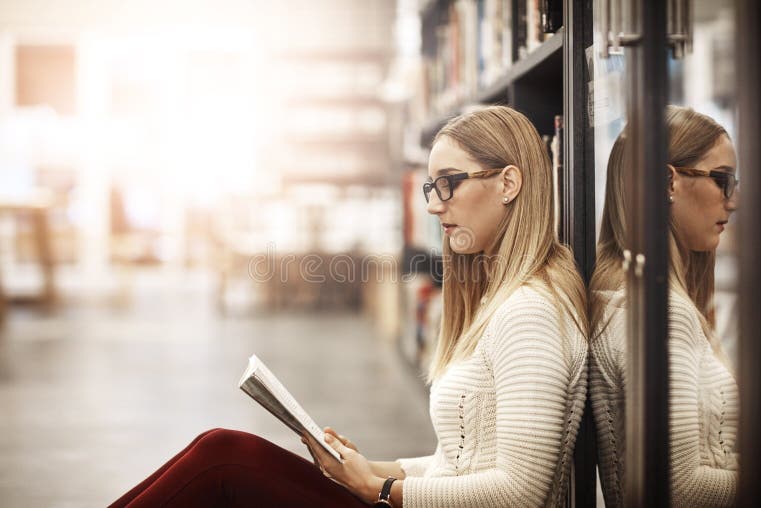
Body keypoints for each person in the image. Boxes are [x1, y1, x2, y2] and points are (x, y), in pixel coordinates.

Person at [110, 105, 589, 508]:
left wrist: (379, 489)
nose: (432, 205)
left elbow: (522, 492)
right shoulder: (501, 299)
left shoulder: (531, 312)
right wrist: (365, 469)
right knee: (216, 451)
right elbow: (457, 464)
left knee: (224, 457)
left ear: (509, 184)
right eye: (430, 187)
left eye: (449, 183)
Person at [589, 105, 740, 507]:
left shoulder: (624, 292)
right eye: (723, 180)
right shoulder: (660, 312)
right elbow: (682, 487)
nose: (734, 200)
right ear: (667, 181)